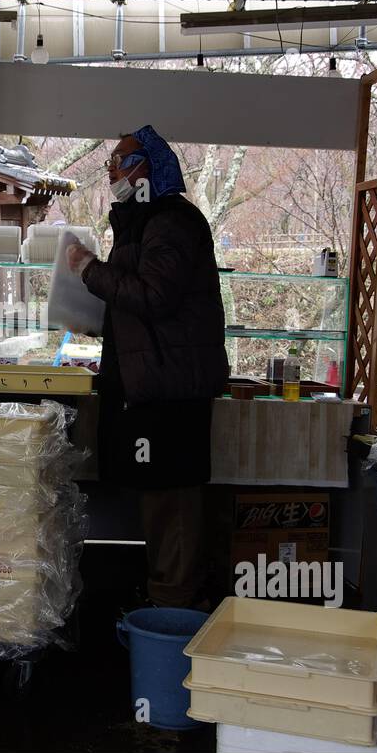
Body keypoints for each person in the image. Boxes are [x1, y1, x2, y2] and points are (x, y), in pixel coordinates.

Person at [65, 126, 230, 609]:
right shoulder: (142, 222)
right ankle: (166, 596)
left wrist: (89, 270)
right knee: (158, 497)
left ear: (149, 169)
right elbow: (140, 299)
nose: (112, 170)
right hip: (149, 386)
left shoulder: (172, 222)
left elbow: (156, 296)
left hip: (172, 390)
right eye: (111, 162)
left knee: (172, 500)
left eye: (121, 160)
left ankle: (174, 607)